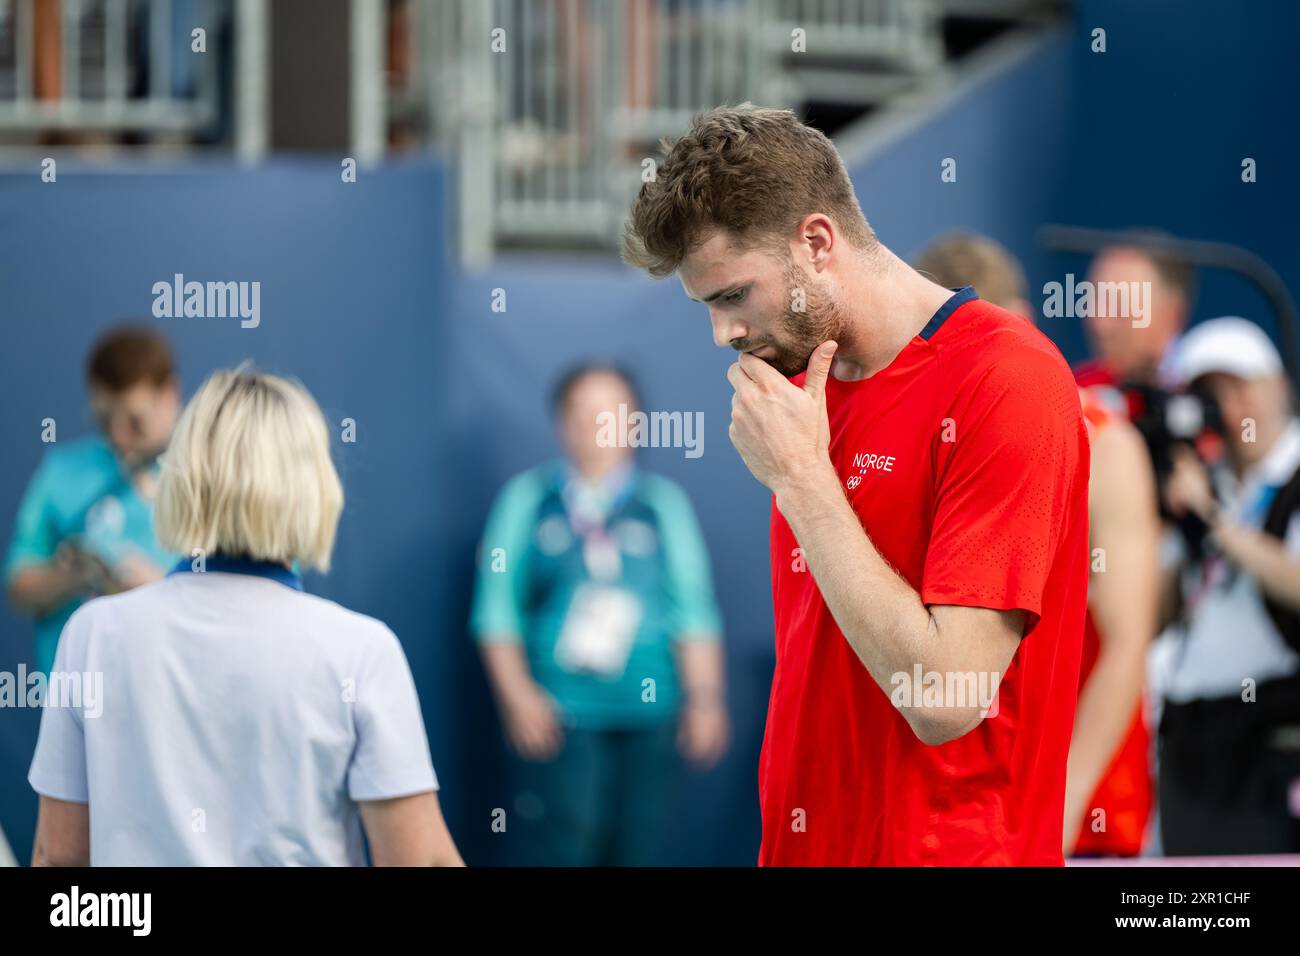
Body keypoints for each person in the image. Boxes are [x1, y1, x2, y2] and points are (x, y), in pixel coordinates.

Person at [623, 105, 1090, 866]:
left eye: (733, 295)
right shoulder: (805, 385)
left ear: (816, 241)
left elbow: (944, 699)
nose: (723, 334)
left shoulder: (1010, 378)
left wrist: (806, 484)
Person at [28, 368, 463, 867]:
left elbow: (58, 858)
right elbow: (420, 861)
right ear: (314, 487)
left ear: (183, 479)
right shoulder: (360, 650)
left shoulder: (93, 635)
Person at [916, 231, 1162, 857]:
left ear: (1021, 324)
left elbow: (1128, 644)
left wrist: (1067, 798)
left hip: (1078, 805)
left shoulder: (1106, 444)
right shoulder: (931, 442)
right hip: (953, 806)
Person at [471, 363, 728, 866]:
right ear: (561, 423)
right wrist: (517, 698)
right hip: (560, 717)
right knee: (561, 847)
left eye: (614, 412)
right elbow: (496, 609)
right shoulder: (530, 501)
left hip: (650, 717)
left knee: (640, 849)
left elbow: (693, 610)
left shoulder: (661, 506)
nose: (600, 426)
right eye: (585, 413)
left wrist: (705, 700)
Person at [1158, 317, 1300, 855]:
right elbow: (1156, 616)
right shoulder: (1202, 485)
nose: (1233, 408)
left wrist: (1215, 523)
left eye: (1242, 387)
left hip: (1271, 750)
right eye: (1212, 396)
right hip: (1193, 754)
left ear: (1278, 386)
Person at [7, 326, 181, 676]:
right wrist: (75, 575)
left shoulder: (216, 479)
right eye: (104, 420)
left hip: (174, 701)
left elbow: (253, 598)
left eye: (135, 421)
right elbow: (18, 586)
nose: (118, 436)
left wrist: (166, 593)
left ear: (170, 395)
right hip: (77, 706)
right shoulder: (62, 471)